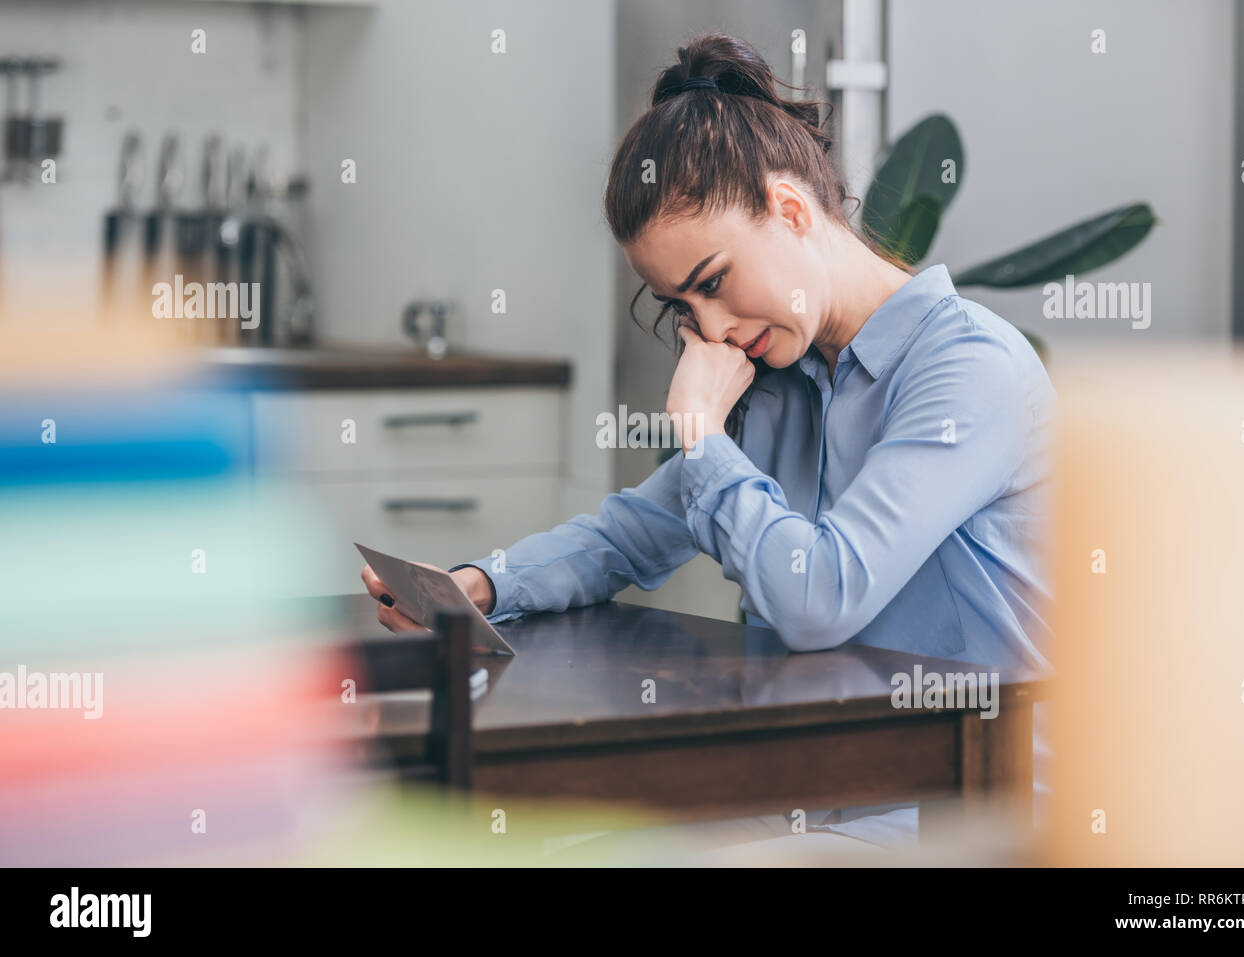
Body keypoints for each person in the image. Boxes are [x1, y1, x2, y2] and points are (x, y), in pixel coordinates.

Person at [361, 33, 1056, 851]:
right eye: (685, 307)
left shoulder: (970, 368)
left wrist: (699, 431)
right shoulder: (784, 384)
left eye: (715, 282)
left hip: (962, 808)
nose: (711, 329)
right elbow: (629, 535)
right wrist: (480, 584)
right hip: (819, 782)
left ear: (792, 209)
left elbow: (820, 595)